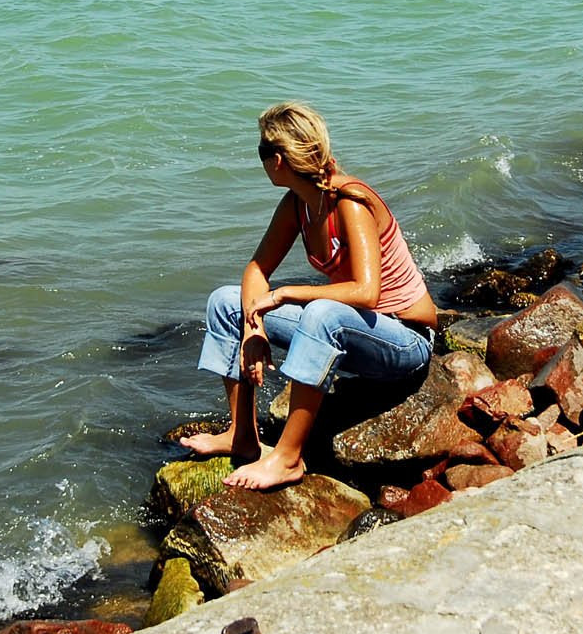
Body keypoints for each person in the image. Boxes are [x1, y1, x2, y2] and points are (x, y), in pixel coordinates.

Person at [180, 102, 438, 490]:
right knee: (225, 302)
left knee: (321, 312)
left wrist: (285, 295)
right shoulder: (297, 205)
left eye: (261, 152)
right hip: (357, 334)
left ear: (278, 160)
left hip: (406, 341)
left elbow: (367, 294)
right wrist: (254, 328)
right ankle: (242, 435)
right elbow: (255, 270)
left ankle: (287, 458)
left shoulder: (350, 202)